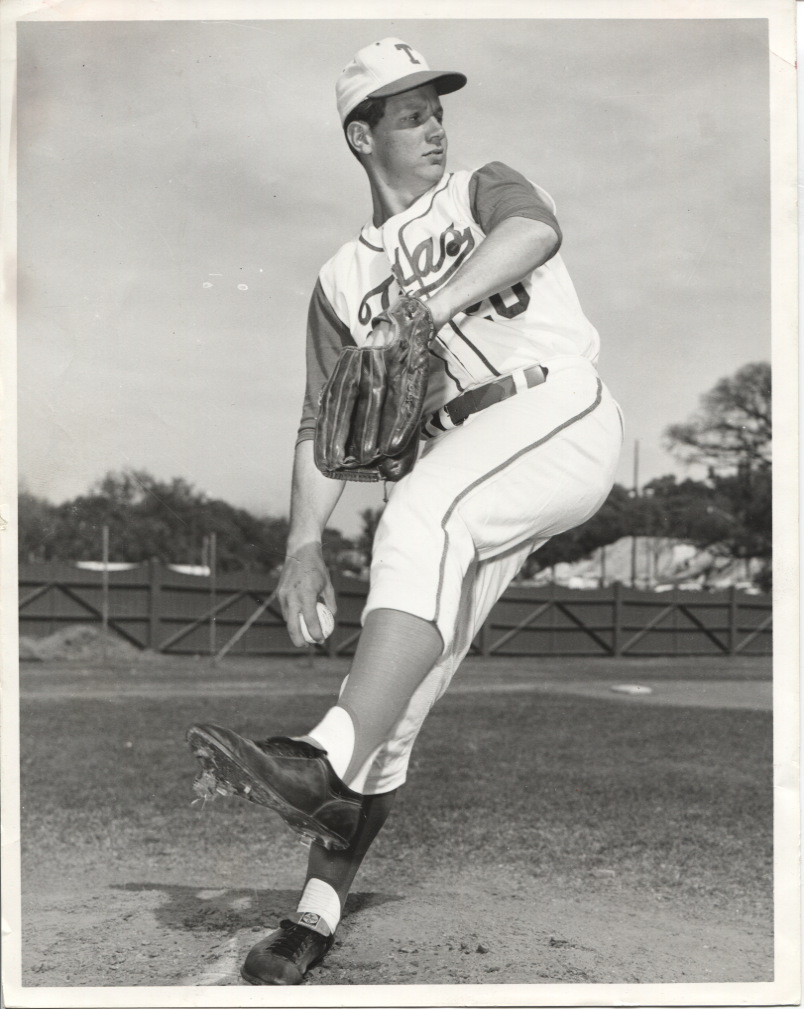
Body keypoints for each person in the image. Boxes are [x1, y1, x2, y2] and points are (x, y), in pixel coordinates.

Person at [188, 36, 624, 986]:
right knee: (393, 698)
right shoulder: (339, 283)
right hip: (463, 456)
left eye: (437, 110)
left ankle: (321, 758)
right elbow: (320, 420)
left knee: (421, 512)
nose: (435, 128)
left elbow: (534, 233)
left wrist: (429, 307)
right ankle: (314, 911)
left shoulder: (479, 188)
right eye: (412, 114)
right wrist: (303, 542)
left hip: (553, 404)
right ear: (362, 135)